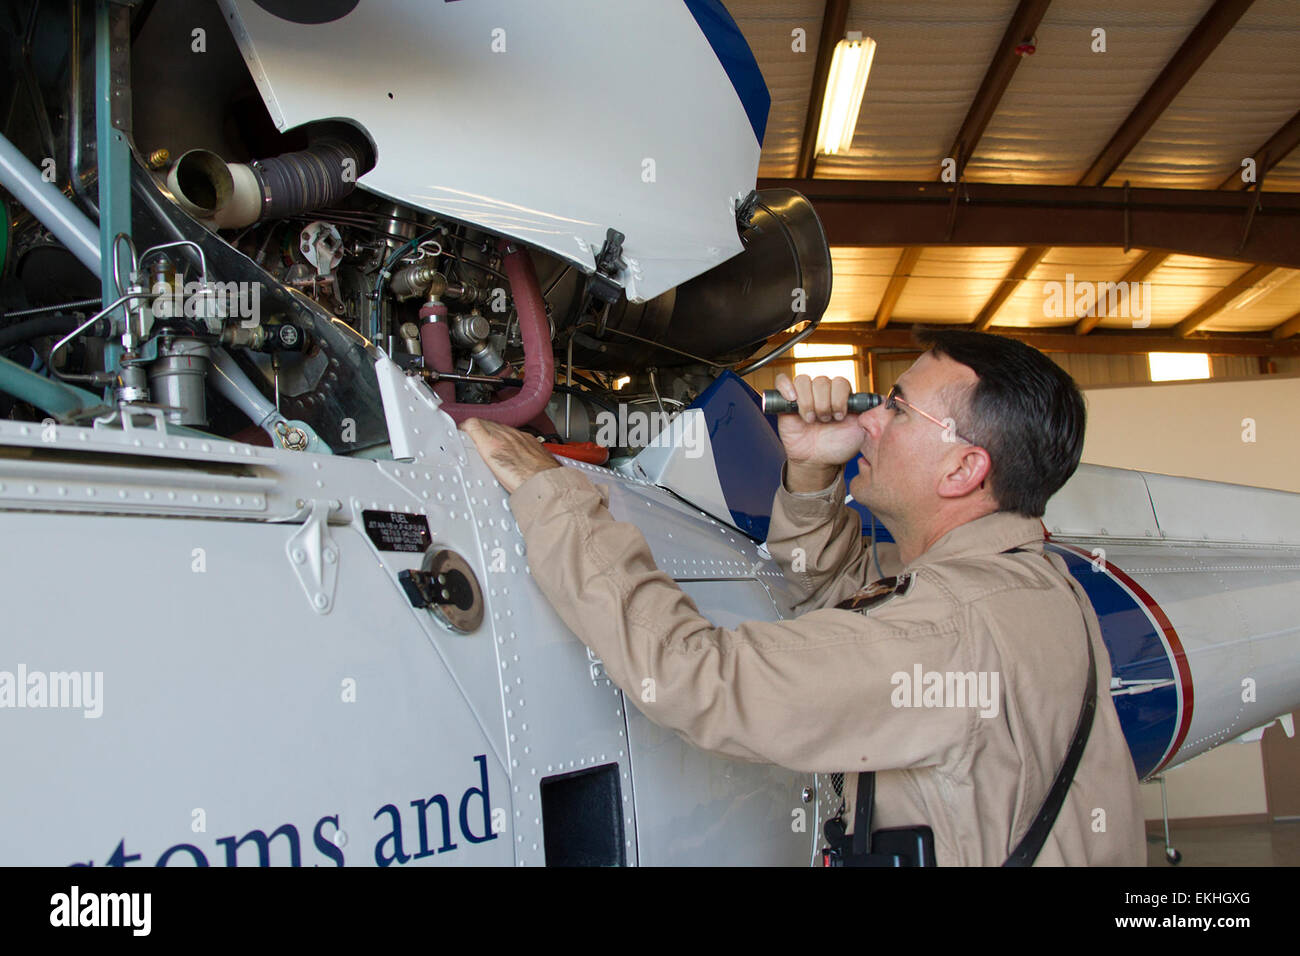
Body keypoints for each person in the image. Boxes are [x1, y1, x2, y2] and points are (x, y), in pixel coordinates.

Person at [461, 329, 1145, 866]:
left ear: (965, 467)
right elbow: (855, 603)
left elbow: (695, 677)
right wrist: (814, 470)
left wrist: (554, 499)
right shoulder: (1023, 583)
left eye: (897, 409)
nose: (868, 421)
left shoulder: (951, 632)